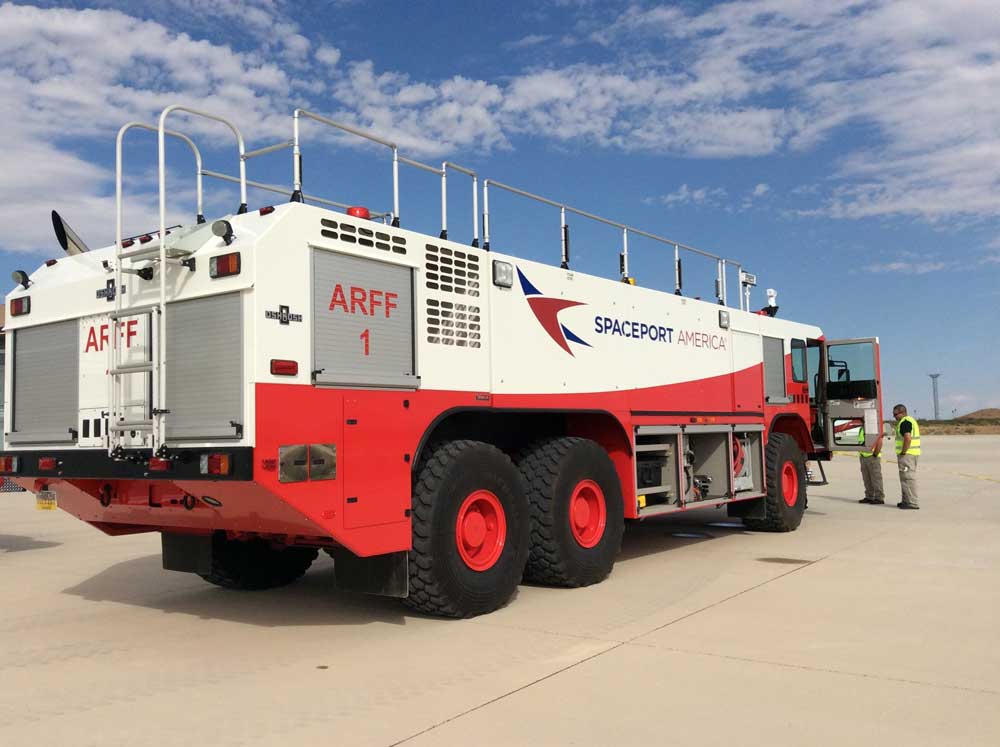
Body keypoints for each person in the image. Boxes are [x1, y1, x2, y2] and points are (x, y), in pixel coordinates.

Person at [892, 404, 921, 510]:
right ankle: (906, 500)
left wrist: (903, 452)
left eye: (895, 414)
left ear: (902, 413)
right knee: (904, 478)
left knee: (908, 478)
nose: (894, 417)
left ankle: (912, 502)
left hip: (907, 455)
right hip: (912, 454)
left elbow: (908, 438)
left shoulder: (905, 422)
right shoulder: (909, 421)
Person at [857, 424, 885, 505]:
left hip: (872, 457)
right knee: (866, 478)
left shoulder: (873, 428)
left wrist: (875, 455)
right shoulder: (862, 428)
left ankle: (879, 498)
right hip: (863, 456)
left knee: (876, 478)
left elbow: (879, 442)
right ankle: (869, 496)